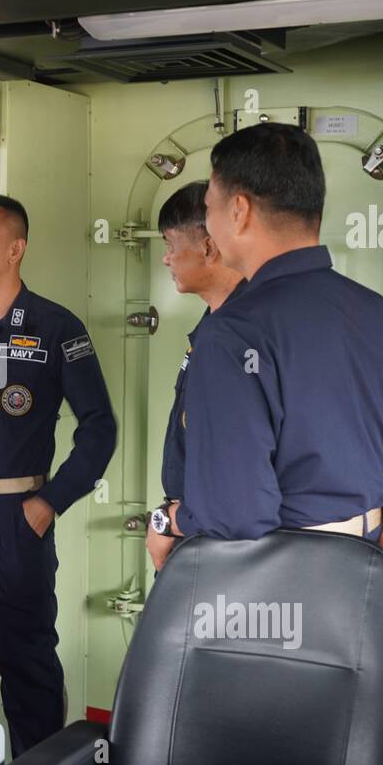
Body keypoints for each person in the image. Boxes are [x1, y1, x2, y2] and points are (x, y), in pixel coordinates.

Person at [160, 123, 383, 569]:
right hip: (365, 563)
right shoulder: (377, 313)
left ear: (238, 211)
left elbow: (236, 513)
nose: (210, 224)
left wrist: (170, 520)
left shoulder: (234, 331)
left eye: (211, 206)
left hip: (266, 582)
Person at [0, 194, 116, 755]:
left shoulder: (57, 328)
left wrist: (50, 502)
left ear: (15, 249)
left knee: (27, 669)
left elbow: (99, 427)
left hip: (16, 523)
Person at [144, 181, 245, 572]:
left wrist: (168, 522)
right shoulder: (213, 324)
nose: (166, 259)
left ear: (208, 246)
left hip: (227, 545)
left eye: (170, 245)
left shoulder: (246, 330)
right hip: (196, 529)